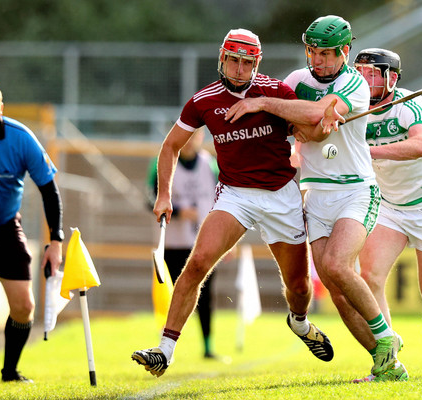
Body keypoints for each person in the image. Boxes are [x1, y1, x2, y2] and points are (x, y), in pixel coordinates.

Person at [131, 28, 334, 378]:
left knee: (299, 287)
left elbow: (315, 118)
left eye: (247, 63)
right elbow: (170, 146)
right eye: (234, 60)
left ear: (257, 64)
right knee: (197, 264)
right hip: (235, 194)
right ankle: (165, 349)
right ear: (222, 59)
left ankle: (299, 323)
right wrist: (164, 194)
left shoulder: (275, 90)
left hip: (281, 194)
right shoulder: (203, 101)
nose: (240, 69)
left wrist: (277, 110)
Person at [226, 16, 404, 382]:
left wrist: (273, 106)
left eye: (326, 53)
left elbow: (314, 115)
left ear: (344, 52)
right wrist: (300, 122)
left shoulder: (353, 83)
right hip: (315, 192)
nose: (318, 60)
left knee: (339, 266)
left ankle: (387, 338)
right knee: (337, 293)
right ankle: (388, 366)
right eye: (312, 51)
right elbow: (305, 124)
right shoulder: (295, 81)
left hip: (356, 190)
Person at [333, 48, 422, 382]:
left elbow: (420, 146)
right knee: (370, 278)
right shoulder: (354, 105)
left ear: (392, 78)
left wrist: (365, 151)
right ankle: (388, 359)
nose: (364, 79)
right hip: (388, 206)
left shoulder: (411, 105)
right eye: (359, 71)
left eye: (372, 73)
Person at [0, 80, 64, 383]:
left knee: (24, 307)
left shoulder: (21, 139)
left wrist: (55, 242)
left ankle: (9, 373)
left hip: (5, 228)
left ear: (1, 109)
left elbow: (49, 191)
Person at [146, 127, 219, 359]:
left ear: (200, 138)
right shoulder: (163, 163)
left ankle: (207, 346)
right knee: (169, 294)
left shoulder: (211, 164)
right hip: (173, 242)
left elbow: (225, 198)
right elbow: (150, 199)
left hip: (204, 241)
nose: (189, 142)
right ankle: (165, 346)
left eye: (194, 136)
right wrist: (177, 212)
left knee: (205, 295)